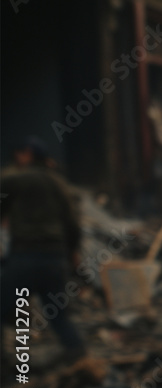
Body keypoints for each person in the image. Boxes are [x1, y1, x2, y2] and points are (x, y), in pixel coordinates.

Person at [1, 138, 87, 360]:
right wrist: (73, 254)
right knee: (58, 314)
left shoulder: (14, 180)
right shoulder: (58, 184)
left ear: (28, 155)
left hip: (24, 257)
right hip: (54, 259)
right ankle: (77, 353)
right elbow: (72, 224)